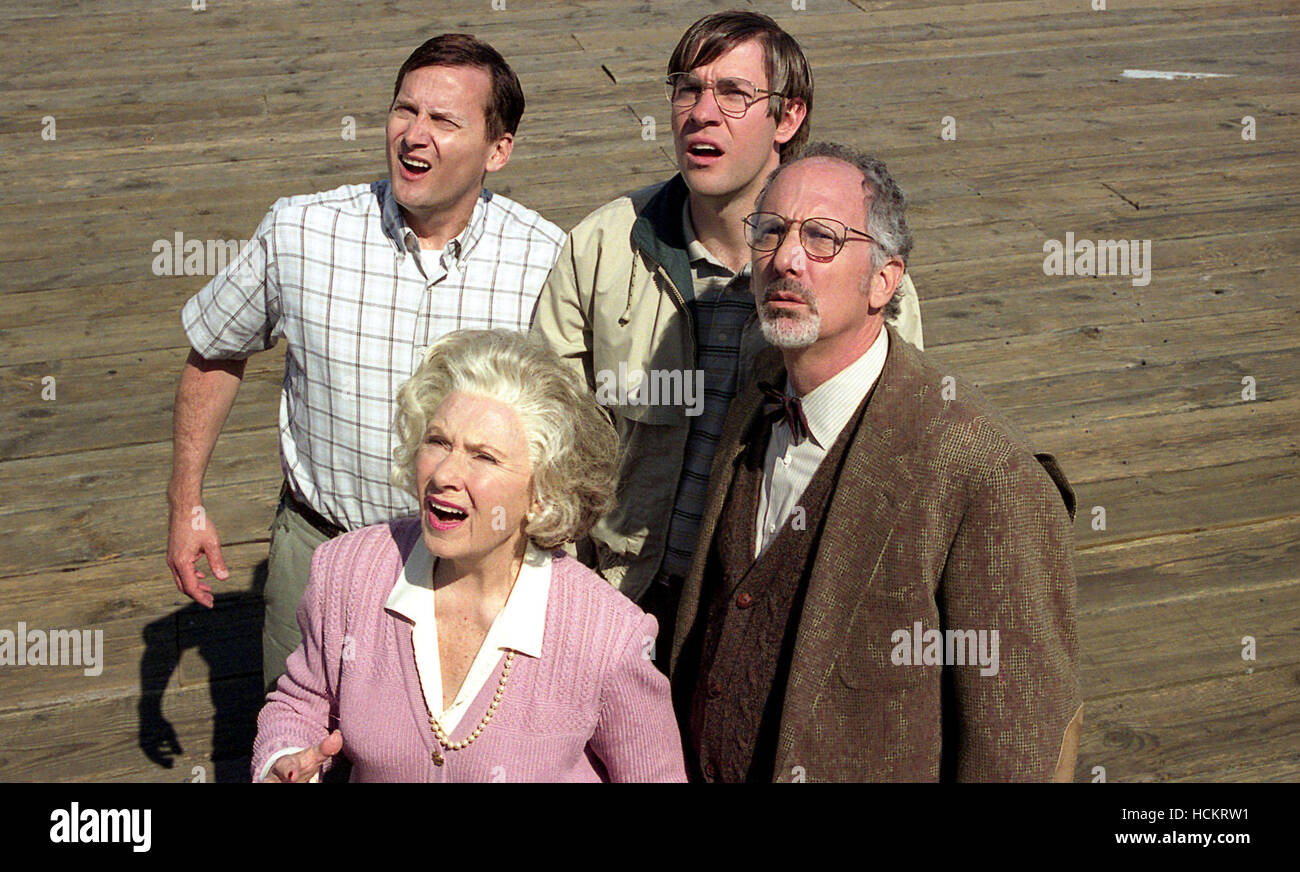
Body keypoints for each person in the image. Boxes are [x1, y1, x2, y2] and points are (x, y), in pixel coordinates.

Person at [669, 142, 1082, 782]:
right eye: (770, 232)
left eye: (822, 239)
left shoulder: (985, 472)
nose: (785, 260)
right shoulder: (757, 394)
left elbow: (1018, 739)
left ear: (884, 281)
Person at [166, 34, 565, 691]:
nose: (414, 136)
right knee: (295, 750)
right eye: (405, 110)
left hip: (472, 571)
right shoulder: (299, 230)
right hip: (317, 552)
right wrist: (186, 504)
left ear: (499, 149)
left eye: (443, 121)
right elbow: (215, 349)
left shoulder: (547, 260)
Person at [531, 11, 923, 643]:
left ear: (788, 118)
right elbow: (542, 441)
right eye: (688, 88)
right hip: (620, 605)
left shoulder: (859, 280)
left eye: (735, 94)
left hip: (767, 621)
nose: (700, 113)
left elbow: (888, 462)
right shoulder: (601, 247)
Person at [252, 330, 687, 782]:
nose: (444, 473)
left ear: (543, 493)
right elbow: (300, 701)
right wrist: (281, 759)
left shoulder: (607, 636)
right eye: (438, 441)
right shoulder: (348, 571)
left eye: (483, 456)